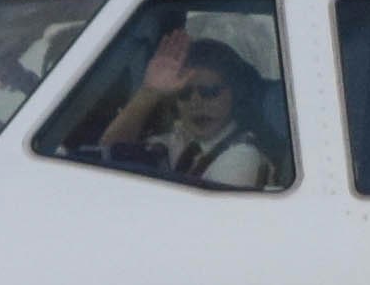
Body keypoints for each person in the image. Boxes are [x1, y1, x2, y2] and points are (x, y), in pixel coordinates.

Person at [86, 28, 281, 187]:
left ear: (235, 95)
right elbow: (108, 156)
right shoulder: (182, 139)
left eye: (209, 91)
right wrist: (149, 91)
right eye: (185, 93)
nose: (195, 103)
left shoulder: (242, 156)